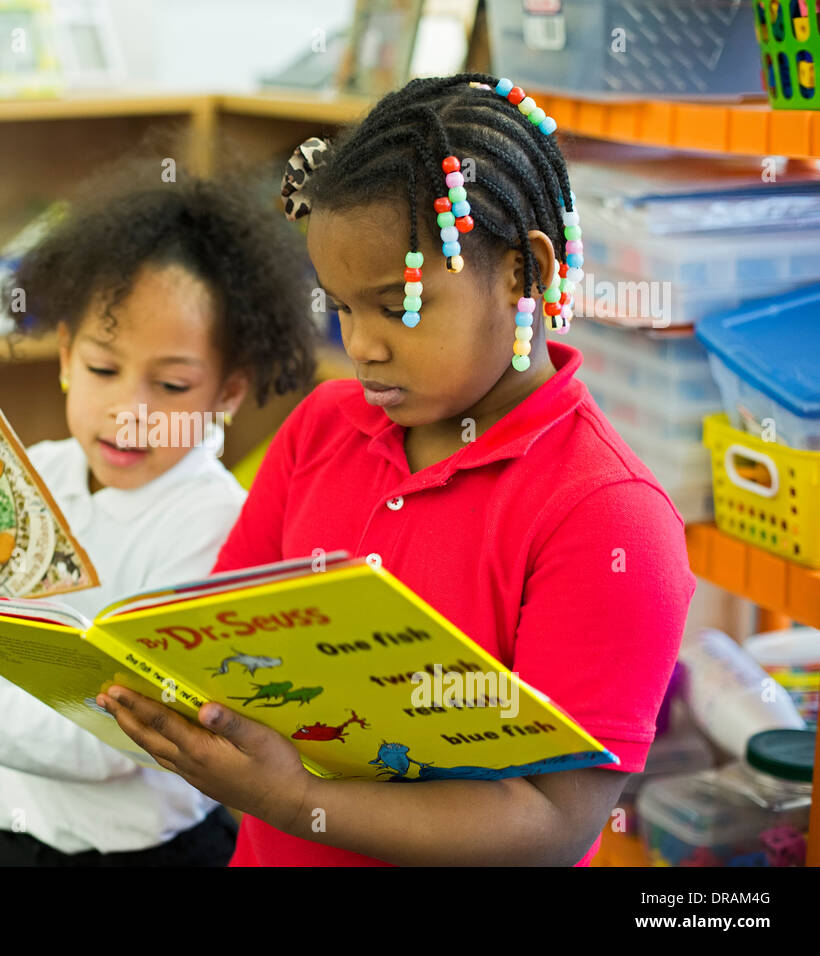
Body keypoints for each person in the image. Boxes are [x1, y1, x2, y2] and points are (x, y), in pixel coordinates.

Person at [97, 74, 697, 867]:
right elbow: (218, 640)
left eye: (400, 305)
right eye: (343, 307)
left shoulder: (609, 517)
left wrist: (296, 801)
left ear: (526, 272)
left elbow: (554, 825)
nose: (364, 346)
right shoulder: (323, 427)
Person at [0, 165, 319, 865]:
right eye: (104, 370)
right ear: (64, 357)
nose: (127, 410)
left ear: (229, 394)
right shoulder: (34, 474)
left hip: (149, 855)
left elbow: (114, 734)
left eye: (171, 385)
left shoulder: (214, 526)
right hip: (18, 840)